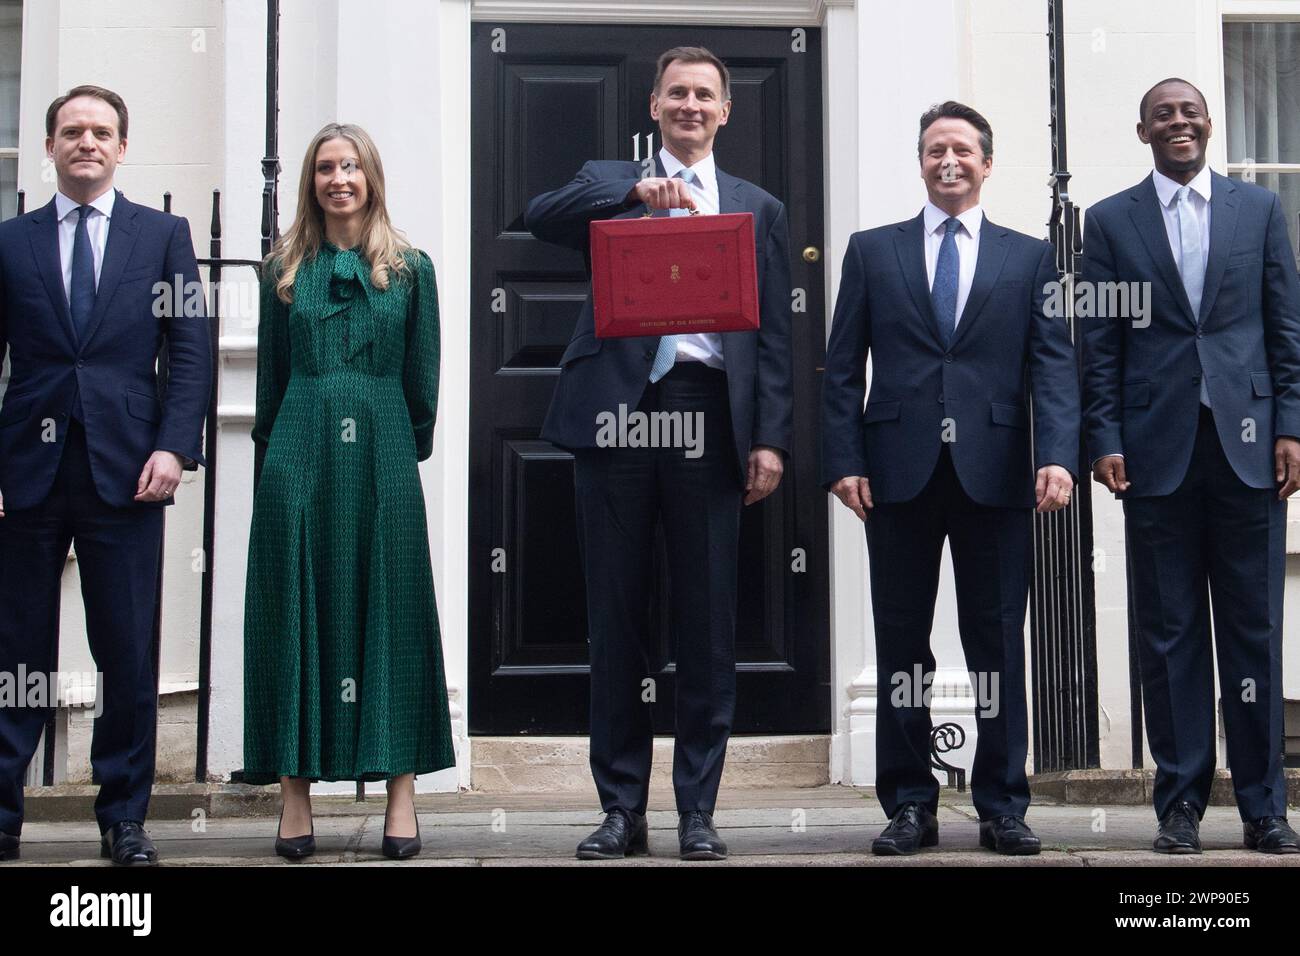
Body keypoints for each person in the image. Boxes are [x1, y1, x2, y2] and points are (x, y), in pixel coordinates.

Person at [525, 46, 793, 861]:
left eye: (703, 95)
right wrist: (633, 190)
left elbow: (774, 335)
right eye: (676, 93)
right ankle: (620, 809)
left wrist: (772, 438)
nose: (690, 105)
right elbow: (539, 214)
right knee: (615, 617)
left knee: (708, 621)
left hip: (709, 414)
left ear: (726, 110)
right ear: (652, 106)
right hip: (618, 414)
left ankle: (699, 812)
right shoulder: (607, 183)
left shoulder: (759, 207)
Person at [821, 101, 1079, 856]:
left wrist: (1056, 453)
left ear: (987, 163)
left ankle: (1002, 804)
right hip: (896, 473)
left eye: (963, 150)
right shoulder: (873, 252)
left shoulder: (1029, 257)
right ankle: (909, 803)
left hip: (996, 473)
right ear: (921, 161)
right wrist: (843, 460)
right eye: (935, 149)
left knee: (996, 640)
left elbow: (1054, 366)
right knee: (902, 642)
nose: (949, 161)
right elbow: (843, 369)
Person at [1080, 78, 1300, 855]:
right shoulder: (1108, 222)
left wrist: (1293, 429)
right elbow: (1098, 346)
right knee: (1170, 634)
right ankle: (1179, 806)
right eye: (1163, 114)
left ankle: (1264, 807)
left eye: (1189, 110)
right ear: (1142, 131)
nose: (1179, 121)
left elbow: (1286, 326)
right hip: (1153, 454)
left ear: (1209, 123)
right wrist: (1102, 436)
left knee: (1254, 631)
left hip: (1249, 449)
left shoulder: (1260, 212)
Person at [0, 85, 212, 865]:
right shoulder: (10, 242)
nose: (86, 142)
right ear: (51, 145)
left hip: (129, 471)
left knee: (126, 649)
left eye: (101, 132)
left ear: (122, 147)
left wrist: (173, 445)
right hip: (26, 471)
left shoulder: (163, 237)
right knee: (15, 651)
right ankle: (3, 815)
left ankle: (123, 816)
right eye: (72, 131)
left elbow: (187, 348)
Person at [243, 123, 454, 861]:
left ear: (372, 178)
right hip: (298, 447)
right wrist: (278, 466)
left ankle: (401, 797)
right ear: (312, 181)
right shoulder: (282, 270)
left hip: (386, 448)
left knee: (391, 607)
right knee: (295, 610)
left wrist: (394, 448)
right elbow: (269, 384)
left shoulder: (414, 269)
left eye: (352, 166)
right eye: (327, 167)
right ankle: (294, 800)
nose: (340, 178)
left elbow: (422, 386)